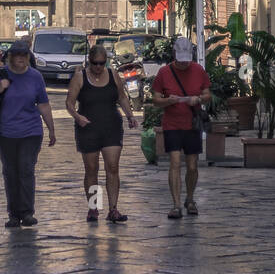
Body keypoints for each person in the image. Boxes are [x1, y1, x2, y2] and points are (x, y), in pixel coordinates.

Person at [0, 38, 56, 229]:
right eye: (17, 55)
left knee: (26, 169)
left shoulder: (36, 77)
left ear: (28, 57)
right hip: (6, 134)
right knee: (11, 173)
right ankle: (14, 214)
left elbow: (43, 104)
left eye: (24, 55)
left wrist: (52, 130)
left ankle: (27, 213)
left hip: (31, 132)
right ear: (10, 57)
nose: (20, 58)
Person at [66, 43, 138, 224]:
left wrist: (130, 115)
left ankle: (113, 209)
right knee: (91, 169)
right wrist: (77, 116)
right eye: (95, 63)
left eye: (101, 63)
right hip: (88, 127)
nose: (98, 67)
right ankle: (94, 207)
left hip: (111, 126)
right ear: (89, 61)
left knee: (112, 167)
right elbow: (69, 102)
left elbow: (121, 96)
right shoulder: (80, 77)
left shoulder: (113, 74)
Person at [151, 37, 211, 220]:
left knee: (192, 165)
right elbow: (155, 99)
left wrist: (198, 100)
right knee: (175, 162)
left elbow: (208, 94)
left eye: (186, 60)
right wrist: (167, 101)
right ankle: (176, 204)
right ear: (174, 55)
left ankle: (190, 199)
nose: (184, 64)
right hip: (172, 124)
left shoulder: (198, 70)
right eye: (180, 60)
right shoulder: (164, 72)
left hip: (191, 123)